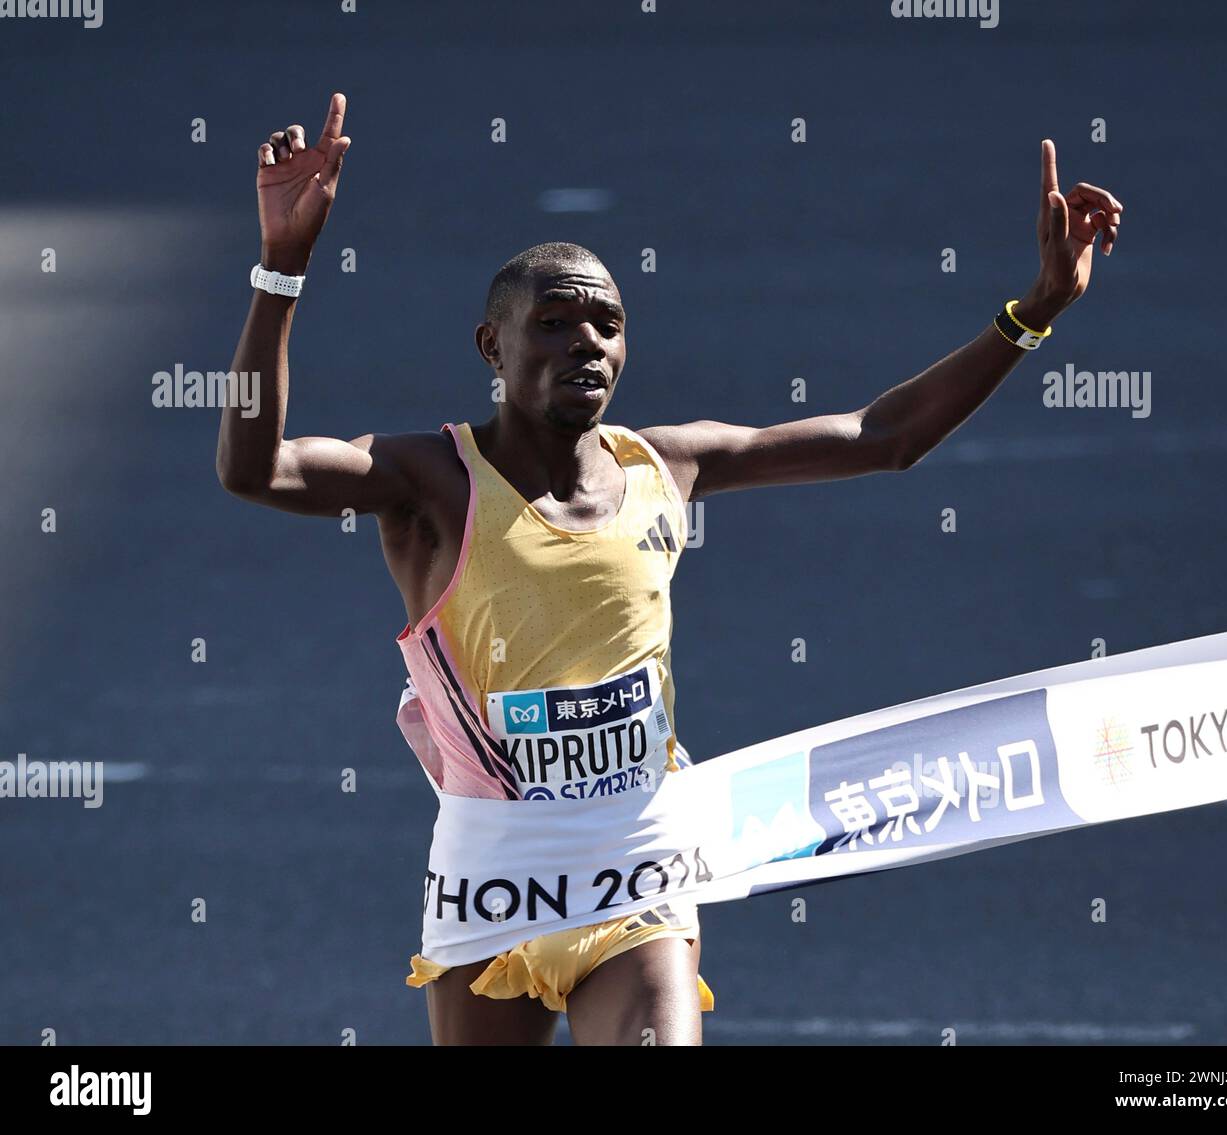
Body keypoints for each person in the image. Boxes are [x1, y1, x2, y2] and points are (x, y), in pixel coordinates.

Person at [216, 92, 1122, 1046]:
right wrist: (282, 267)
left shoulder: (665, 465)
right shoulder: (430, 480)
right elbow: (254, 468)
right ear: (493, 345)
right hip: (495, 878)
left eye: (606, 324)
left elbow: (882, 437)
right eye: (556, 322)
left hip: (640, 863)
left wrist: (1035, 312)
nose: (587, 344)